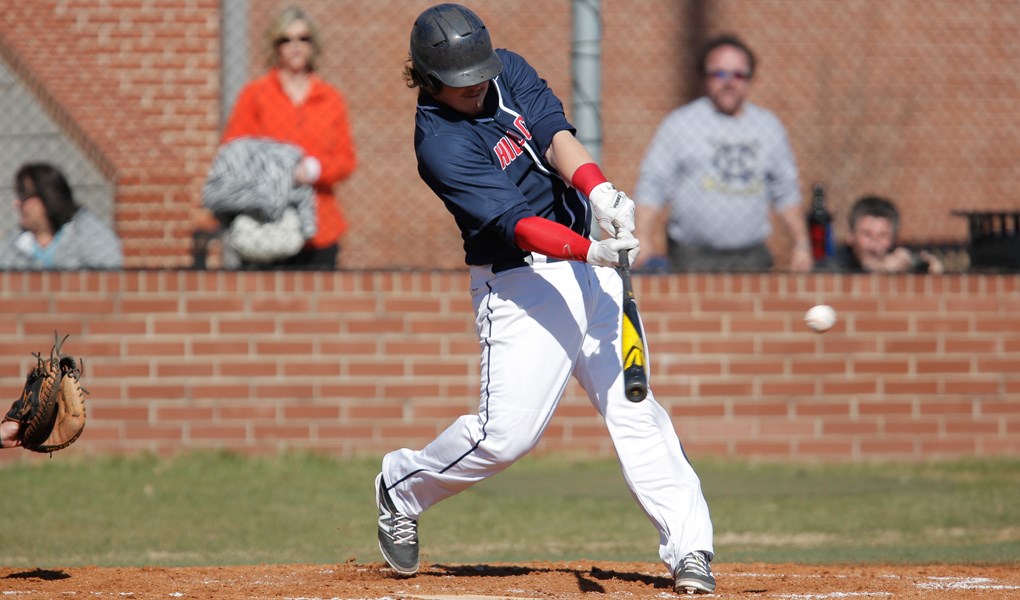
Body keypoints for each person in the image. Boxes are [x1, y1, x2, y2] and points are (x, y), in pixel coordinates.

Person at [374, 4, 716, 596]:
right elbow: (519, 223)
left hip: (587, 258)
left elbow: (556, 136)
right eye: (461, 83)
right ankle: (401, 486)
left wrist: (600, 190)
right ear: (429, 82)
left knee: (634, 409)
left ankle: (691, 550)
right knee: (504, 437)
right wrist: (591, 252)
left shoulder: (505, 69)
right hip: (521, 281)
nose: (477, 85)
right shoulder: (440, 146)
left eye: (480, 72)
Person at [633, 34, 812, 273]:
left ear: (750, 79)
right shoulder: (680, 124)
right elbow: (653, 184)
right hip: (691, 257)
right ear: (704, 78)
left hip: (752, 258)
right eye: (719, 73)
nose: (729, 82)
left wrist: (801, 243)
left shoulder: (768, 126)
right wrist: (641, 236)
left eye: (739, 74)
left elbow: (785, 189)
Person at [219, 5, 357, 270]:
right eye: (286, 39)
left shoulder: (330, 99)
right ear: (275, 46)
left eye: (303, 38)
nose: (295, 46)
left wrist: (315, 170)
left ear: (313, 44)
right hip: (267, 224)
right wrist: (276, 170)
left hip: (320, 226)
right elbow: (233, 150)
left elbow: (346, 160)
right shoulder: (256, 95)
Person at [0, 163, 123, 270]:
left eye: (24, 196)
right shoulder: (16, 242)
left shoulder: (87, 233)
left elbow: (112, 280)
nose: (16, 204)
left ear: (47, 197)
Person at [816, 195, 944, 274]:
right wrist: (879, 272)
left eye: (882, 236)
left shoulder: (900, 262)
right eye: (867, 234)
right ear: (850, 236)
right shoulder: (833, 266)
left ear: (894, 239)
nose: (874, 244)